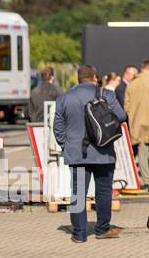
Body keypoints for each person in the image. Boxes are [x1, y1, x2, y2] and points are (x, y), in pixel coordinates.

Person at [53, 64, 127, 242]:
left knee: (78, 193)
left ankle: (79, 233)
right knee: (103, 192)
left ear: (78, 79)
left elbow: (58, 128)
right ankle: (102, 229)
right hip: (104, 151)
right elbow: (122, 116)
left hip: (77, 153)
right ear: (95, 77)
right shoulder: (106, 94)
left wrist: (67, 145)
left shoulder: (65, 98)